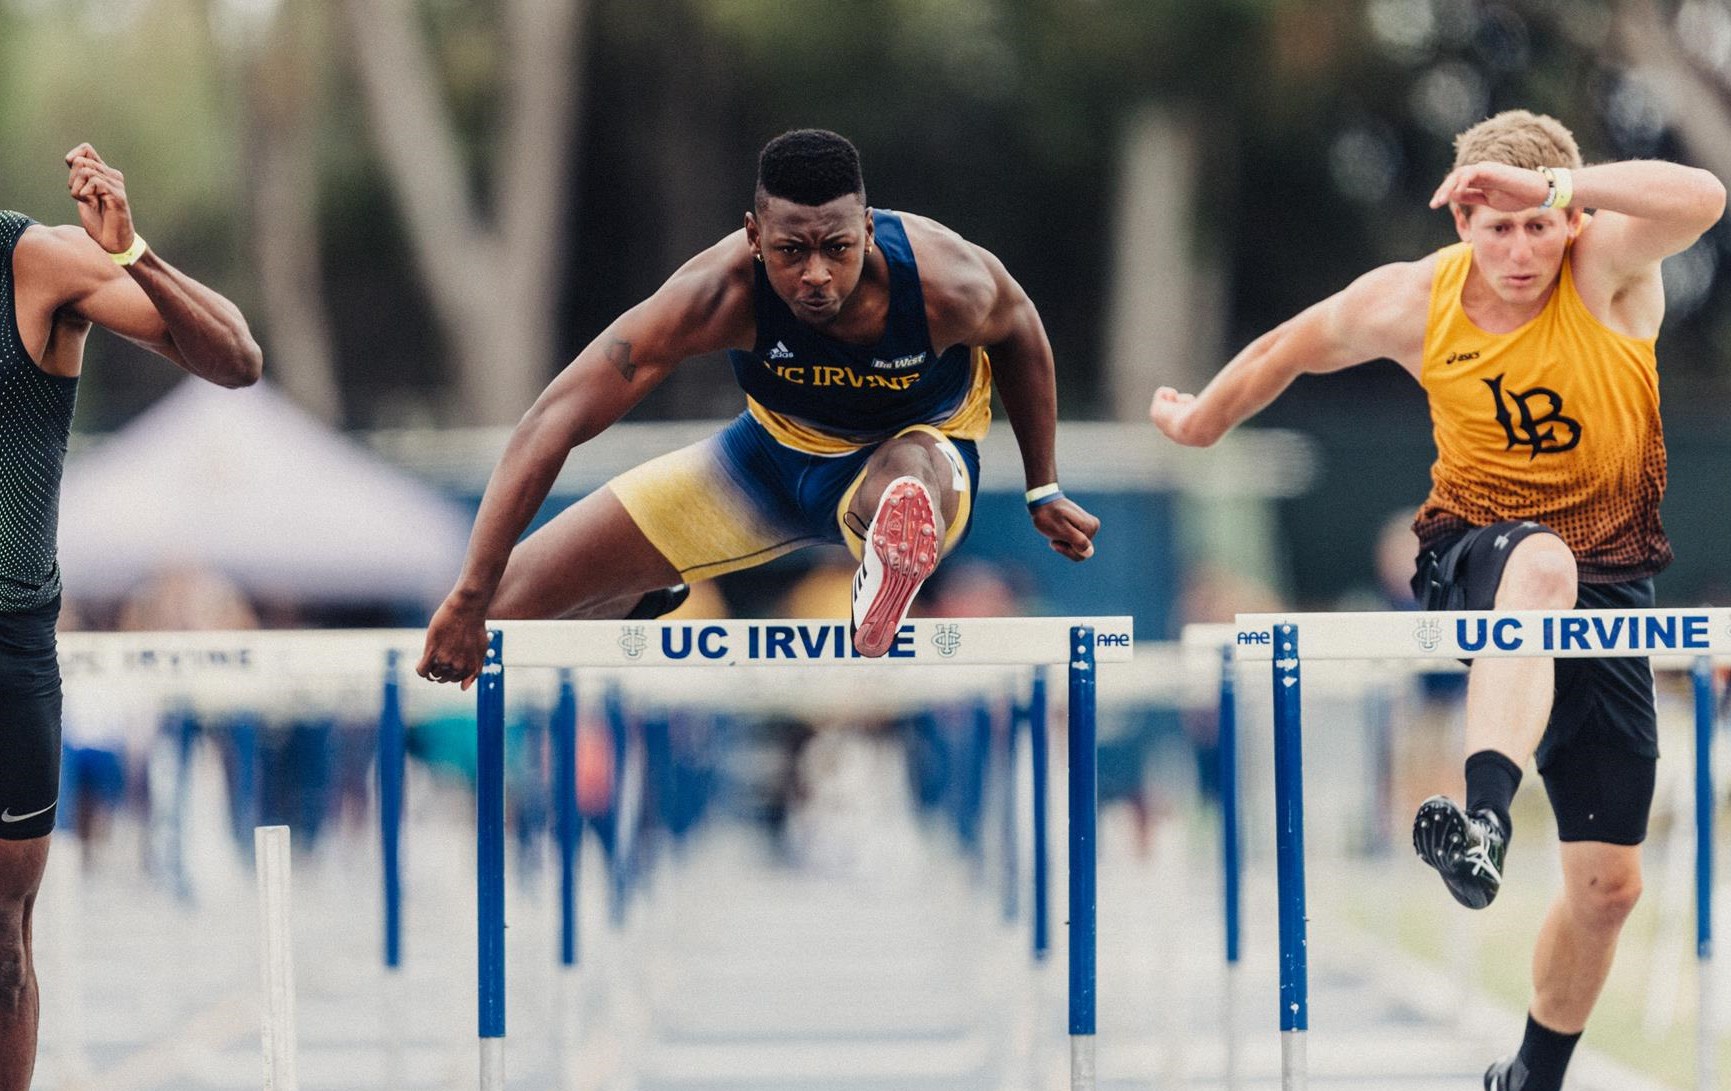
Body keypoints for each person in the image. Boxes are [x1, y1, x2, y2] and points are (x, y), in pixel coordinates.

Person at [1147, 111, 1724, 1091]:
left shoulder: (1607, 267)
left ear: (1568, 217)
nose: (1520, 252)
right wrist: (1202, 419)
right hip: (1475, 556)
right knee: (1539, 564)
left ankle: (1528, 1075)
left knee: (1606, 888)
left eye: (1537, 226)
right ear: (1461, 219)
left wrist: (1558, 187)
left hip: (1611, 586)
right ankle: (1484, 821)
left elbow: (1703, 197)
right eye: (1497, 228)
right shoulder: (1414, 299)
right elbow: (1291, 344)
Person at [419, 129, 1098, 681]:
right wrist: (470, 595)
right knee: (502, 610)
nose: (815, 275)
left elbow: (1021, 331)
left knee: (905, 474)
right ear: (753, 236)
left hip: (916, 461)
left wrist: (1042, 485)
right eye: (789, 251)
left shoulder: (945, 283)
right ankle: (640, 591)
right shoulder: (718, 294)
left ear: (867, 228)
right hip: (763, 467)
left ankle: (887, 565)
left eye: (837, 248)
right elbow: (554, 418)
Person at [0, 144, 261, 1089]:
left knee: (3, 941)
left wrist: (131, 252)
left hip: (9, 644)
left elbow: (237, 359)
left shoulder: (34, 263)